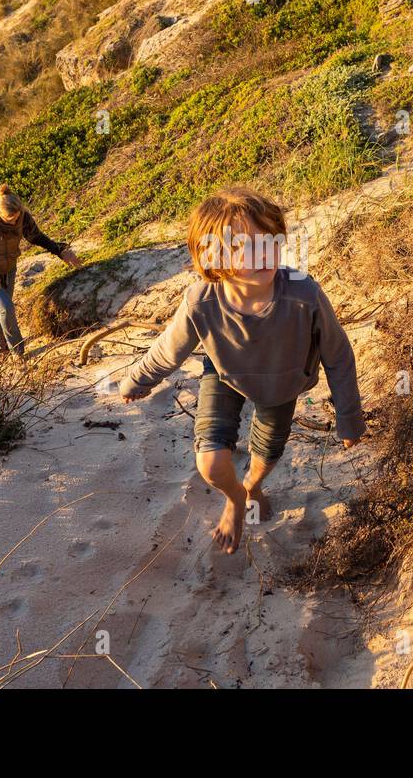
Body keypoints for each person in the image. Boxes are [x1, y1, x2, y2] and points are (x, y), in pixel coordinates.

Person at [120, 187, 364, 553]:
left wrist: (349, 417)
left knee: (266, 455)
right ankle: (235, 498)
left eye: (269, 240)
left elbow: (339, 355)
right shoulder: (200, 301)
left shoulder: (303, 294)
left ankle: (251, 486)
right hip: (225, 374)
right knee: (211, 463)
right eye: (245, 247)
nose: (264, 252)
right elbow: (167, 350)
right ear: (214, 259)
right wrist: (138, 379)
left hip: (282, 384)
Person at [0, 183, 81, 355]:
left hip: (8, 268)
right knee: (6, 307)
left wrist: (60, 251)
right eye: (10, 219)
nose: (15, 221)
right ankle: (18, 353)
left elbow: (37, 237)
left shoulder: (22, 217)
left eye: (17, 217)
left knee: (3, 307)